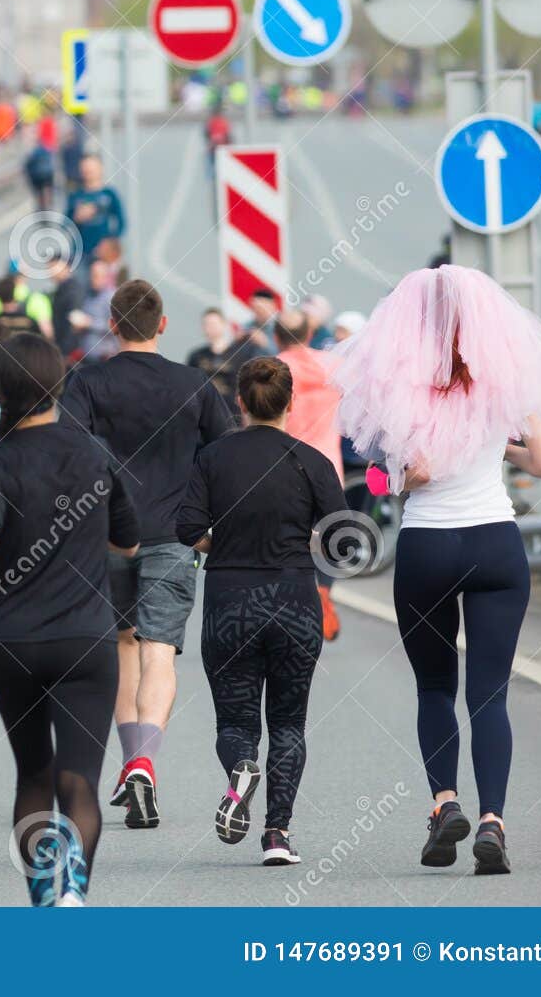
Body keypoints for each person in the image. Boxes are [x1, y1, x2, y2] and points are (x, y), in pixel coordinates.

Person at [332, 265, 541, 875]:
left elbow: (396, 477)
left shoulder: (401, 388)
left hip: (429, 547)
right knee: (490, 693)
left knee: (435, 687)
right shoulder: (502, 384)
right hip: (496, 543)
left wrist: (402, 472)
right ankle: (494, 821)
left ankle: (445, 804)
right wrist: (494, 443)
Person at [0, 333, 138, 905]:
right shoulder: (93, 451)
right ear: (57, 384)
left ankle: (40, 895)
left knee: (33, 773)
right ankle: (75, 891)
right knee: (78, 776)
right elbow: (128, 543)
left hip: (13, 641)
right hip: (86, 639)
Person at [61, 280, 233, 830]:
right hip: (174, 537)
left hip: (105, 534)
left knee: (120, 646)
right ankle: (143, 762)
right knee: (159, 649)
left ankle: (129, 757)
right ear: (162, 325)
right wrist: (207, 523)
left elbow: (67, 452)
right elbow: (223, 456)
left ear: (111, 324)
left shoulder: (87, 382)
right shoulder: (194, 384)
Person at [176, 357, 348, 866]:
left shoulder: (213, 458)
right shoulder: (312, 461)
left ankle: (241, 771)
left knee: (235, 722)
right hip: (295, 599)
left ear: (240, 403)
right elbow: (340, 539)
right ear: (291, 403)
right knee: (289, 723)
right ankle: (277, 835)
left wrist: (224, 546)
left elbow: (187, 527)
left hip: (230, 599)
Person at [274, 310, 344, 642]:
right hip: (328, 462)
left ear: (276, 337)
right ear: (310, 332)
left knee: (291, 539)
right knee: (328, 537)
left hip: (288, 464)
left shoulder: (274, 369)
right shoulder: (333, 365)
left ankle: (297, 606)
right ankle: (325, 592)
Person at [186, 307, 255, 407]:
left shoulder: (240, 356)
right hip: (203, 411)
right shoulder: (196, 356)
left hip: (231, 412)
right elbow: (190, 387)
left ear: (223, 325)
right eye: (206, 324)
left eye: (213, 324)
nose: (210, 328)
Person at [63, 154, 125, 264]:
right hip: (81, 253)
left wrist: (111, 241)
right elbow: (65, 225)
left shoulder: (109, 194)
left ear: (100, 169)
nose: (88, 173)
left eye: (91, 169)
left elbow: (121, 221)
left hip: (104, 255)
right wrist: (77, 218)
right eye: (85, 169)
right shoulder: (75, 195)